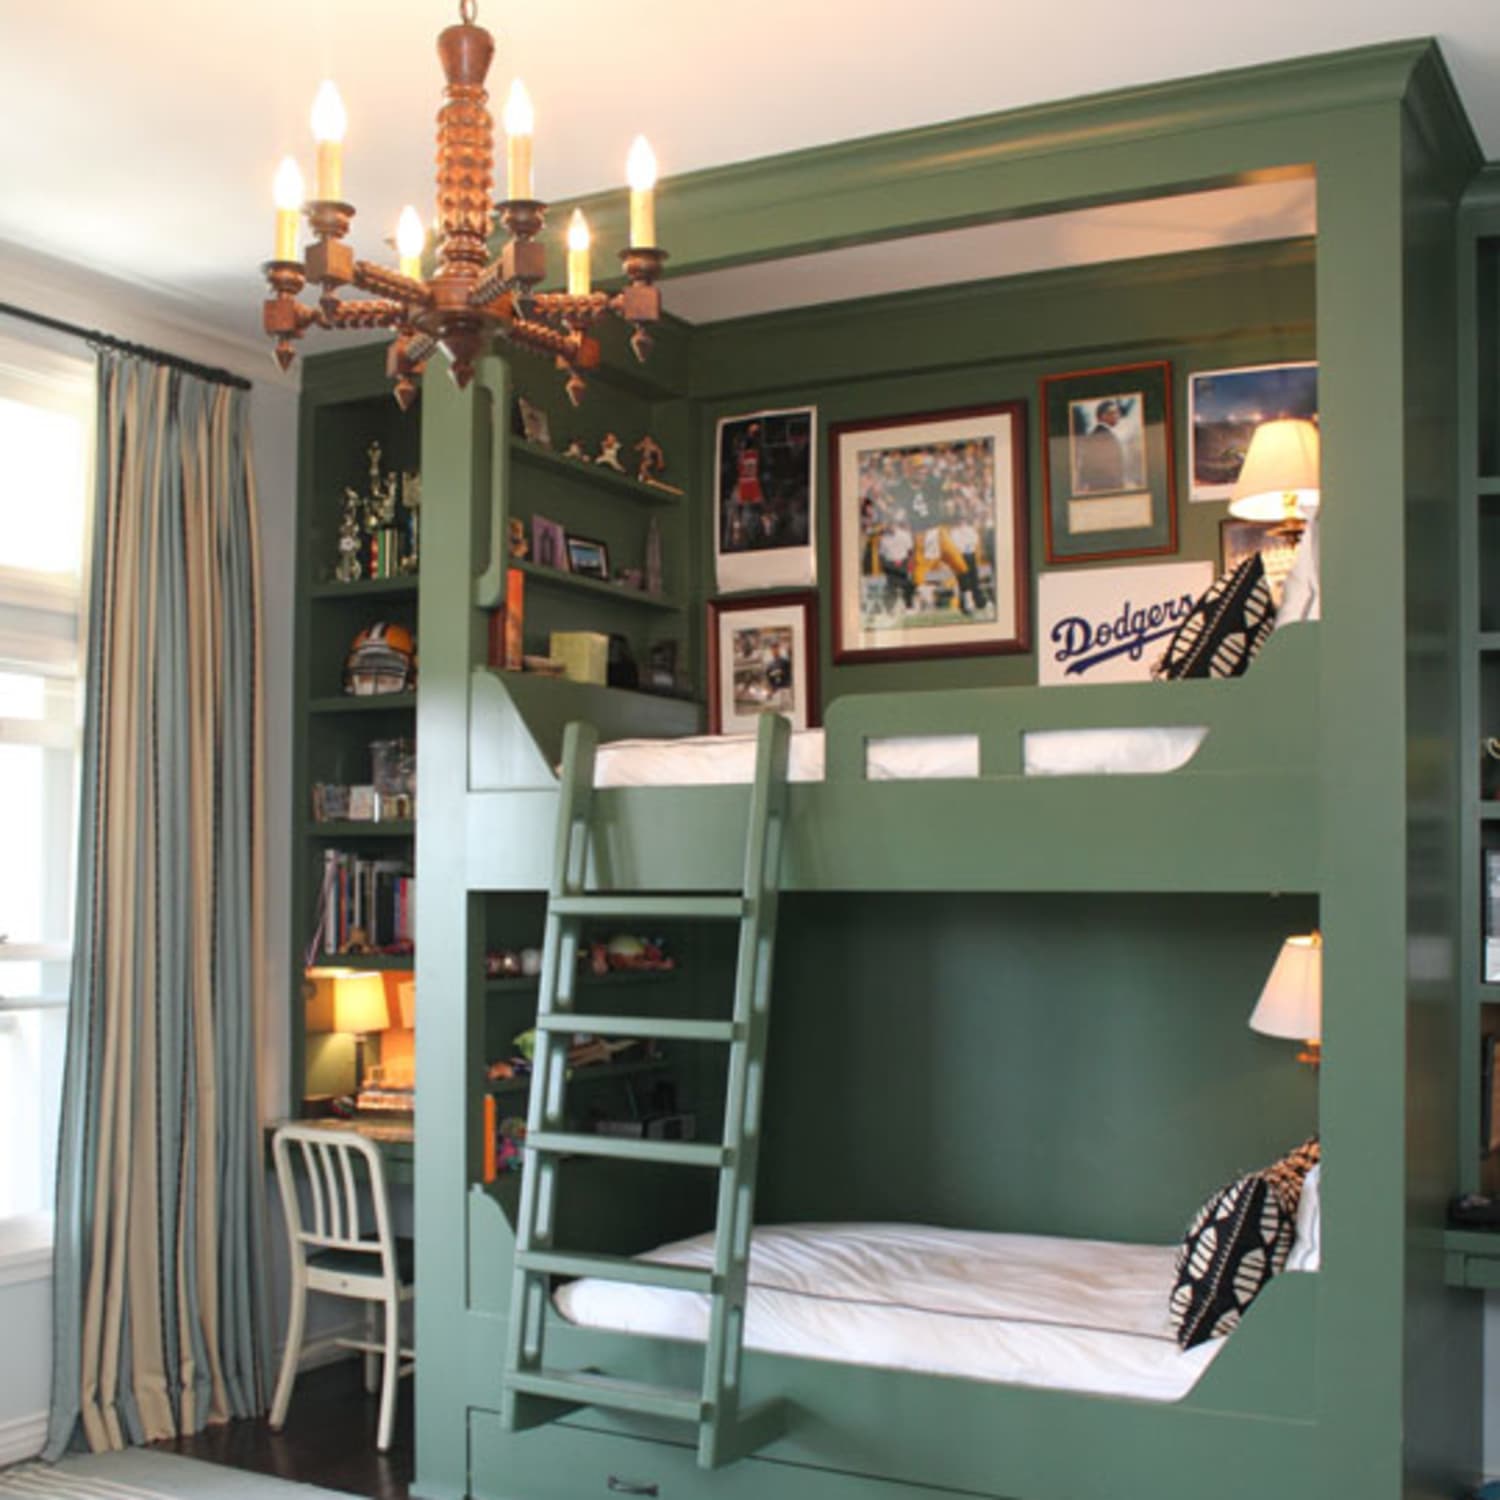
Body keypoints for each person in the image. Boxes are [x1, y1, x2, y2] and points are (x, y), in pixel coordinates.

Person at [1074, 398, 1125, 493]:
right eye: (1113, 412)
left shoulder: (1096, 435)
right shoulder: (1103, 436)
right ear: (1103, 416)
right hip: (1107, 489)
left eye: (1117, 412)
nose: (1117, 416)